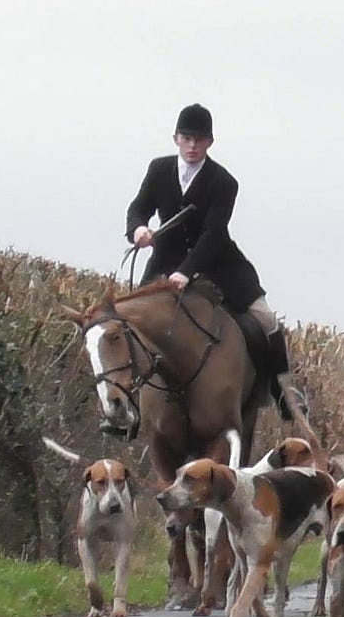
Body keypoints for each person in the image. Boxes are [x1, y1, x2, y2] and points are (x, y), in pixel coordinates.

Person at [125, 103, 305, 421]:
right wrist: (138, 229)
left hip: (218, 264)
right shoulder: (158, 169)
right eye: (187, 138)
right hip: (166, 260)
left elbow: (213, 234)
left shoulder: (224, 182)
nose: (192, 145)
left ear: (210, 142)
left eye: (199, 139)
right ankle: (126, 402)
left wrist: (185, 272)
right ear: (176, 138)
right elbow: (138, 207)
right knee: (129, 320)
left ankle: (283, 392)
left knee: (266, 320)